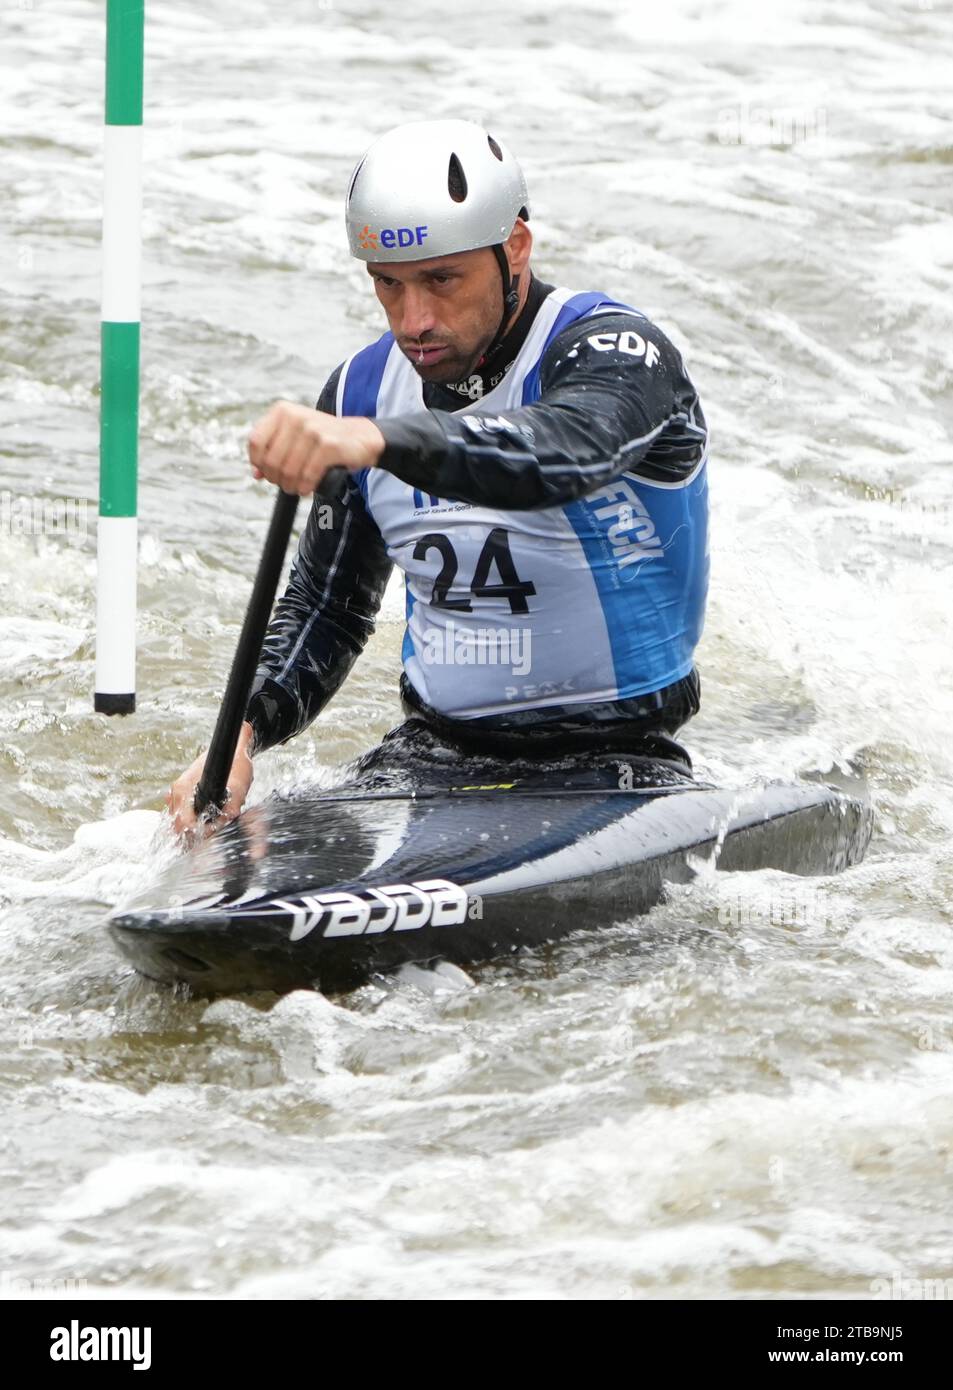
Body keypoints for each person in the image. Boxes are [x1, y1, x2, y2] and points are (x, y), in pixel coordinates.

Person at [168, 118, 709, 833]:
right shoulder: (361, 390)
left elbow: (560, 453)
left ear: (514, 248)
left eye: (442, 279)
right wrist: (238, 737)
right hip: (430, 757)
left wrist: (374, 440)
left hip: (619, 760)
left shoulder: (614, 352)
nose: (413, 319)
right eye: (386, 285)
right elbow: (328, 608)